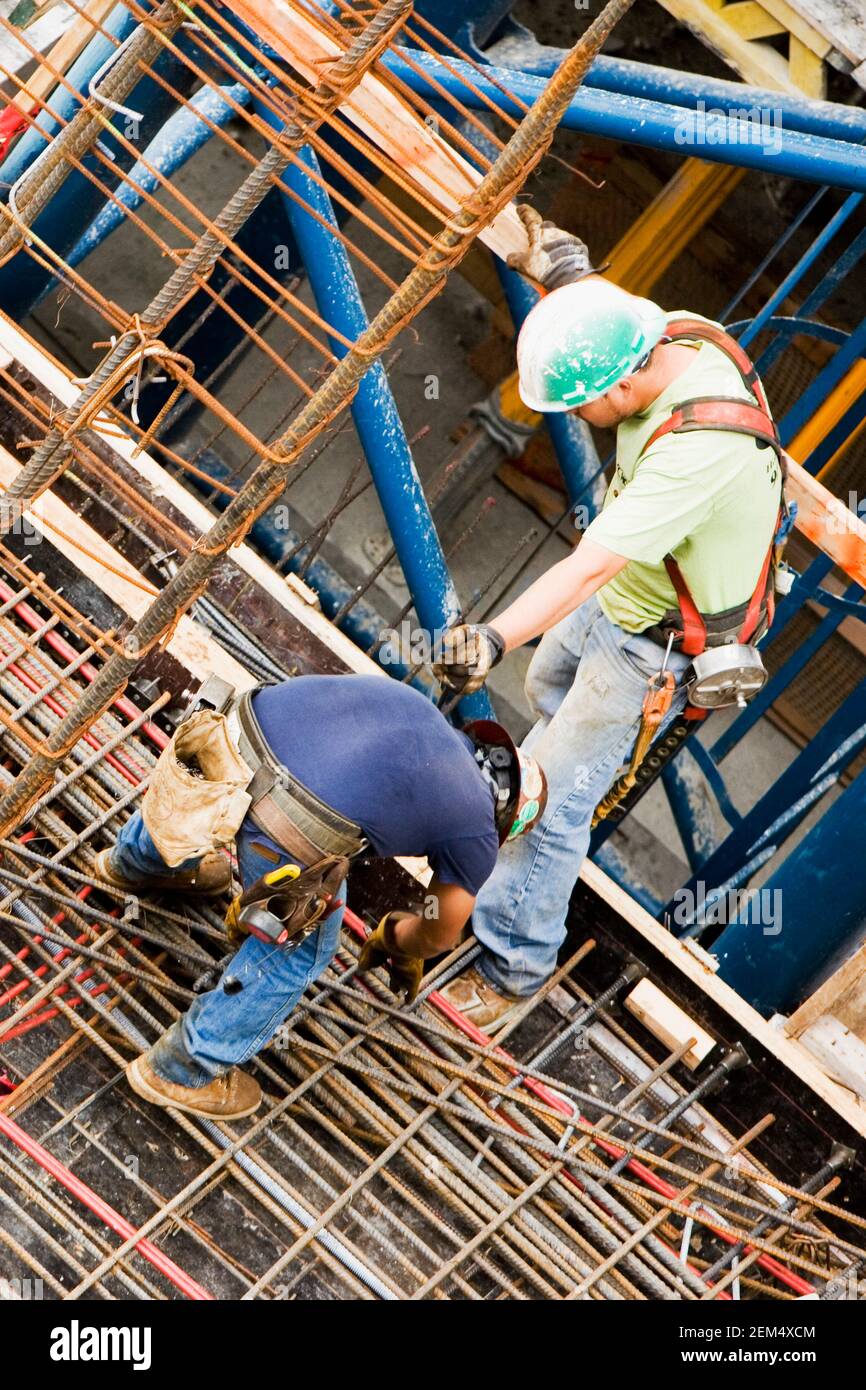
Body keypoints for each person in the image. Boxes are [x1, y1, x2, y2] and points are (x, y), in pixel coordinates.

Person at [432, 205, 785, 1029]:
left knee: (553, 805)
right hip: (617, 606)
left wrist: (491, 636)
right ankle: (520, 839)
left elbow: (590, 561)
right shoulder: (671, 336)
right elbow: (608, 317)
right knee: (547, 734)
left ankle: (513, 966)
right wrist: (567, 278)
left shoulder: (702, 447)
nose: (571, 424)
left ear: (618, 389)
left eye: (576, 407)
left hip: (650, 650)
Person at [95, 674, 546, 1118]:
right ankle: (182, 1070)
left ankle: (133, 864)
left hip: (223, 735)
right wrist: (397, 940)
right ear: (507, 821)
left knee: (224, 783)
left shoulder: (417, 708)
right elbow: (438, 931)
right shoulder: (477, 828)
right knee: (303, 949)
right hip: (277, 817)